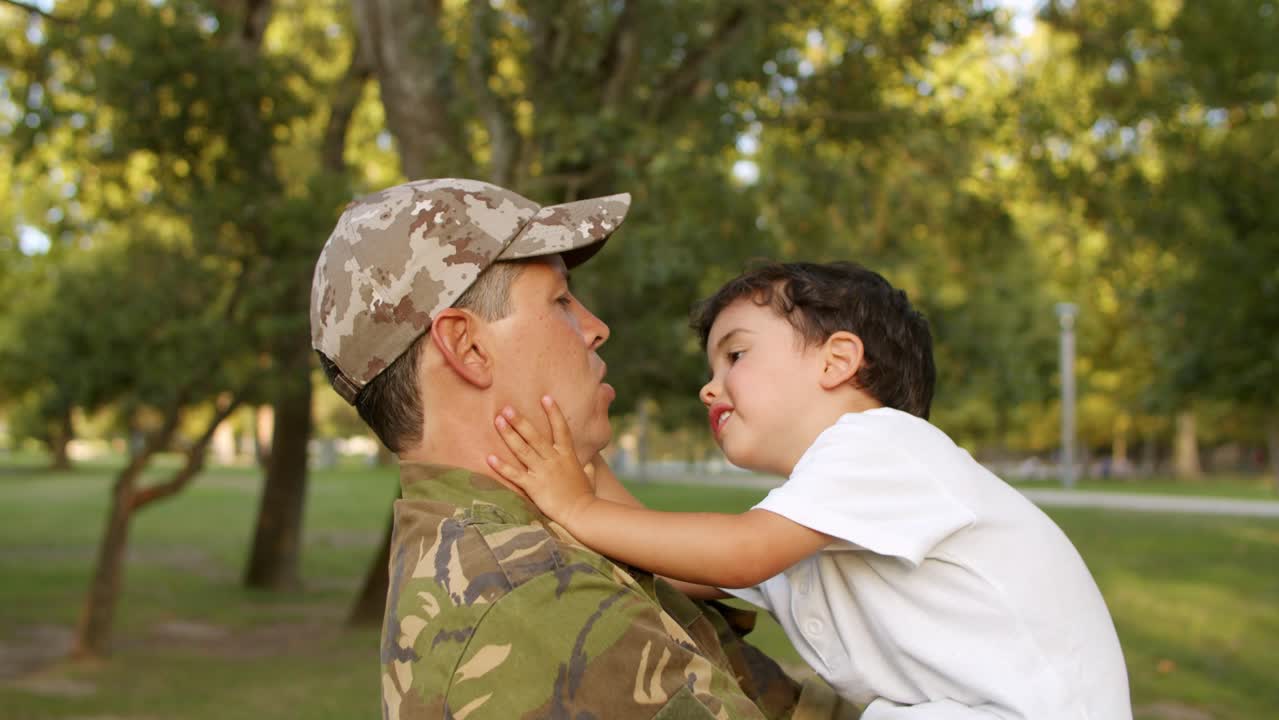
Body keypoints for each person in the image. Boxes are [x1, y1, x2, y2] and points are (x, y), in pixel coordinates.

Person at [309, 180, 861, 720]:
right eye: (561, 300)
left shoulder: (539, 537)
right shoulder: (534, 598)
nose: (597, 328)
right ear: (468, 347)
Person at [489, 262, 1133, 719]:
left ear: (837, 361)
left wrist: (575, 506)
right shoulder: (816, 516)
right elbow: (684, 570)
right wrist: (586, 464)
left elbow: (739, 553)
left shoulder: (881, 443)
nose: (709, 388)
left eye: (735, 356)